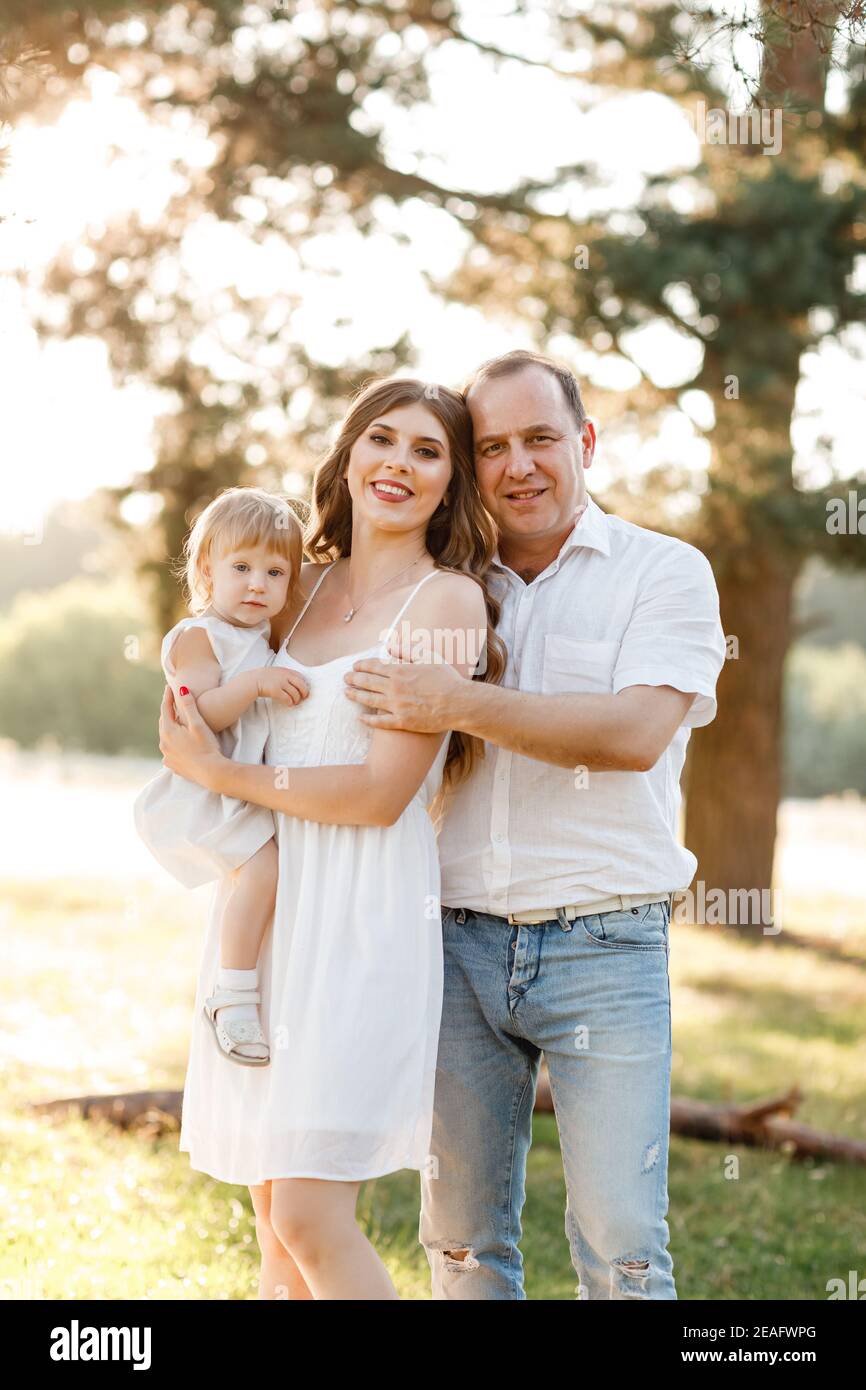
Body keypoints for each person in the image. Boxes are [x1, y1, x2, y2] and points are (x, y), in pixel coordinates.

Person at [343, 349, 727, 1299]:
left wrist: (453, 701)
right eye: (494, 446)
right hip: (454, 939)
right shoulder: (439, 586)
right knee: (464, 1244)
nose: (518, 465)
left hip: (607, 942)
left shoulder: (665, 573)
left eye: (541, 439)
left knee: (624, 1247)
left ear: (585, 442)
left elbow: (635, 733)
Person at [157, 377, 506, 1300]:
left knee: (311, 1216)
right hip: (266, 915)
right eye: (381, 440)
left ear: (451, 481)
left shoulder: (447, 605)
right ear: (348, 455)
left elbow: (381, 794)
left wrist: (223, 776)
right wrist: (185, 712)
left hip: (360, 917)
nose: (398, 463)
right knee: (273, 1221)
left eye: (427, 451)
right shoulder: (292, 589)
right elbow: (198, 679)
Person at [133, 486, 306, 1064]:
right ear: (207, 568)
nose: (258, 583)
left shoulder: (259, 636)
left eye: (275, 571)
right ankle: (232, 995)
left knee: (263, 878)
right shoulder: (198, 636)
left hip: (242, 783)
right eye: (241, 567)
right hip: (206, 789)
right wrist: (255, 686)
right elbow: (198, 714)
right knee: (263, 871)